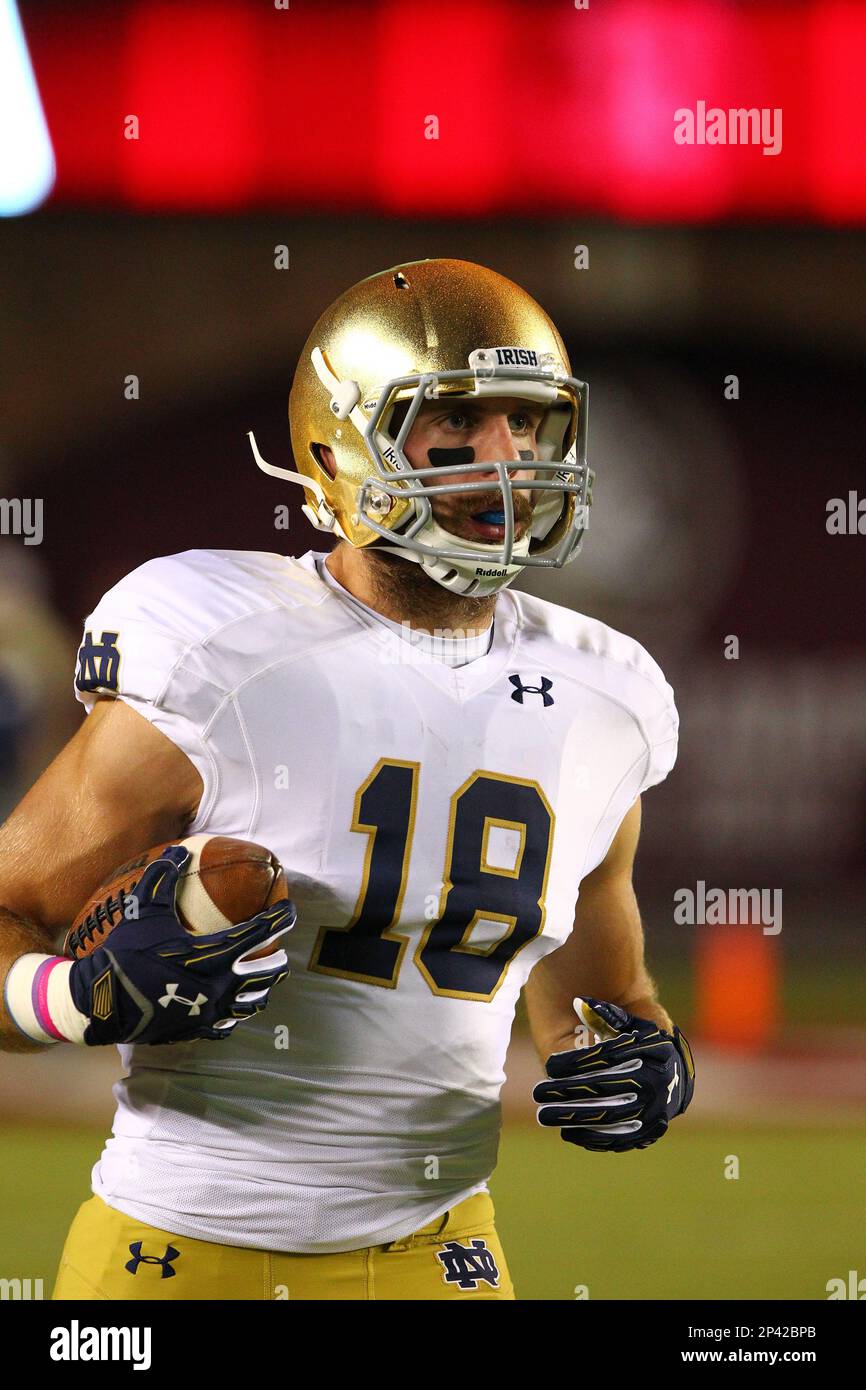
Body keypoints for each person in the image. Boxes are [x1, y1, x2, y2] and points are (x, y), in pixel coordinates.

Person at [0, 258, 693, 1301]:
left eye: (527, 425)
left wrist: (640, 1060)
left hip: (445, 1253)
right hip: (182, 1256)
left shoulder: (604, 692)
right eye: (456, 426)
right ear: (340, 445)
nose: (506, 463)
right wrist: (76, 999)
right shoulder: (217, 649)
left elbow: (597, 993)